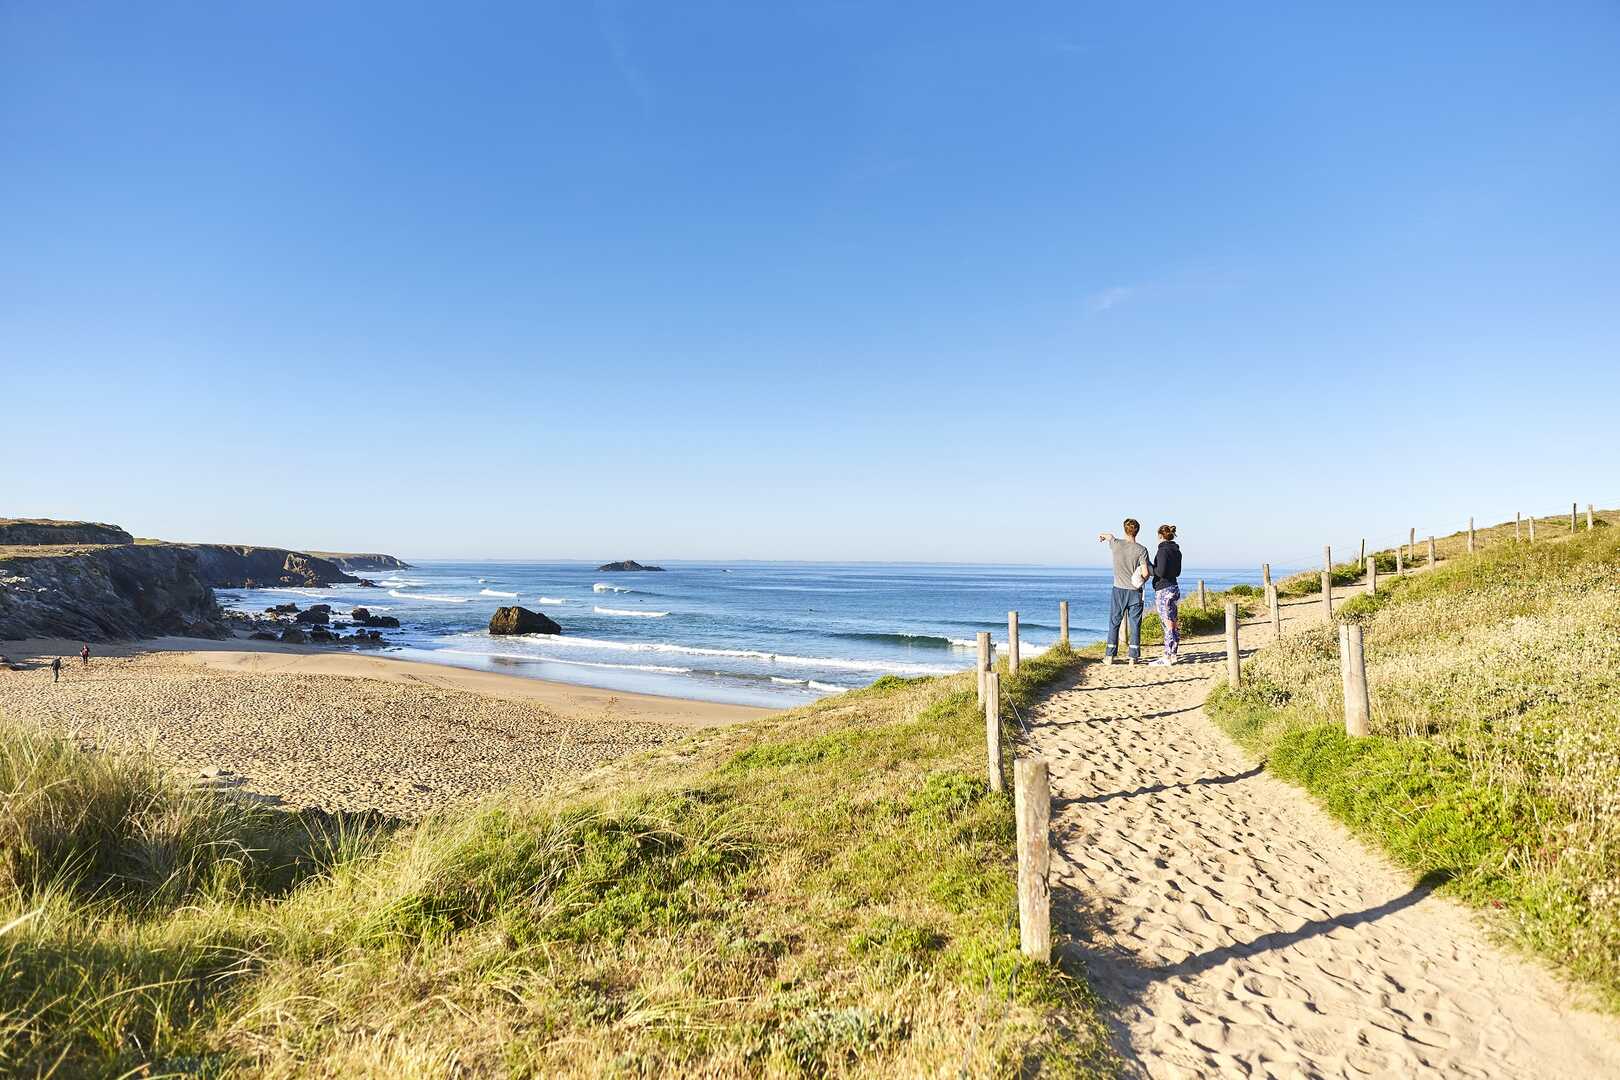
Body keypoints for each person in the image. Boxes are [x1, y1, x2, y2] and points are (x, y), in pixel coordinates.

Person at [1098, 518, 1150, 664]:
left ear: (1124, 529)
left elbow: (1109, 536)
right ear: (1137, 531)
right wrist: (1142, 581)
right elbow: (1145, 573)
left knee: (1114, 622)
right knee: (1135, 624)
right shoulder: (1141, 550)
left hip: (1118, 590)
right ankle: (1133, 657)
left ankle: (1109, 656)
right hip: (1135, 591)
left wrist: (1103, 535)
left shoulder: (1116, 544)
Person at [1150, 524, 1183, 665]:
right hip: (1174, 587)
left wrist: (1151, 568)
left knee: (1168, 624)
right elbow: (1177, 572)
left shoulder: (1163, 551)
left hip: (1164, 589)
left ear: (1160, 536)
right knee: (1173, 622)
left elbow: (1160, 572)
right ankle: (1173, 653)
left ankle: (1167, 656)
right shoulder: (1177, 551)